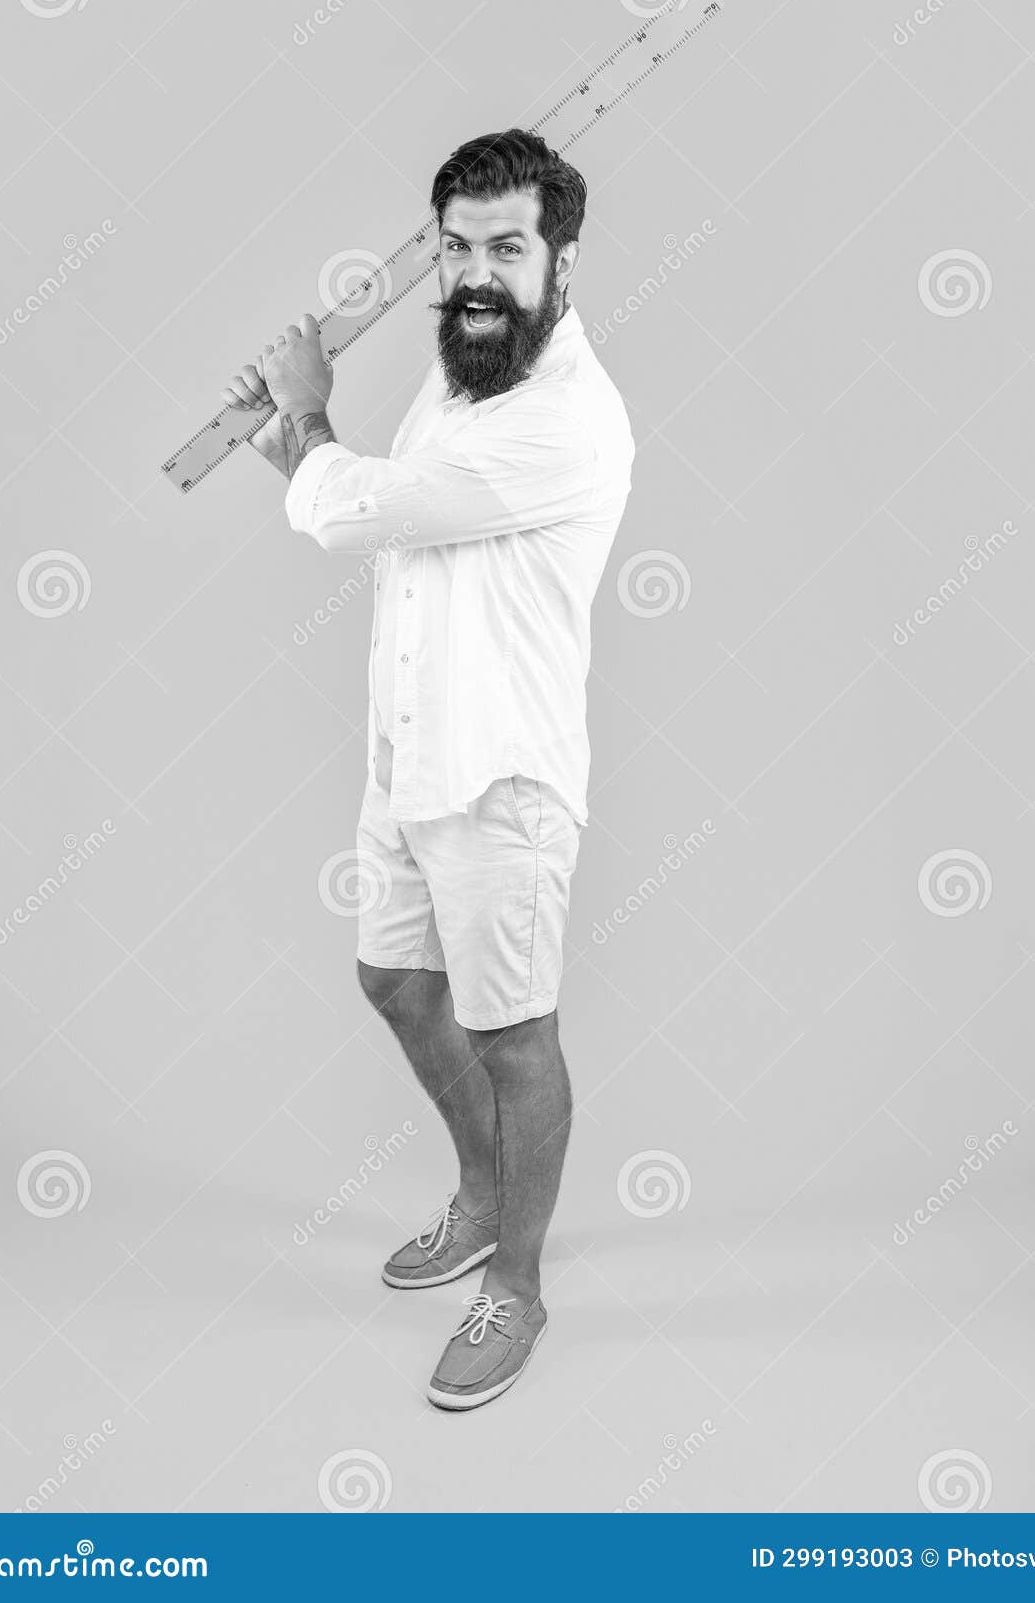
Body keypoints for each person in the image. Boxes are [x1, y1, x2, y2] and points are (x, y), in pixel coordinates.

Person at [222, 128, 635, 1410]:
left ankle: (518, 1285)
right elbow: (386, 500)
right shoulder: (462, 381)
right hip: (411, 750)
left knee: (514, 1035)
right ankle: (477, 1192)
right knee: (397, 979)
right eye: (454, 246)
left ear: (561, 260)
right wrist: (300, 444)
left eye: (505, 248)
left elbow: (356, 509)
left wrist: (302, 415)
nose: (472, 273)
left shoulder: (564, 418)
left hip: (501, 777)